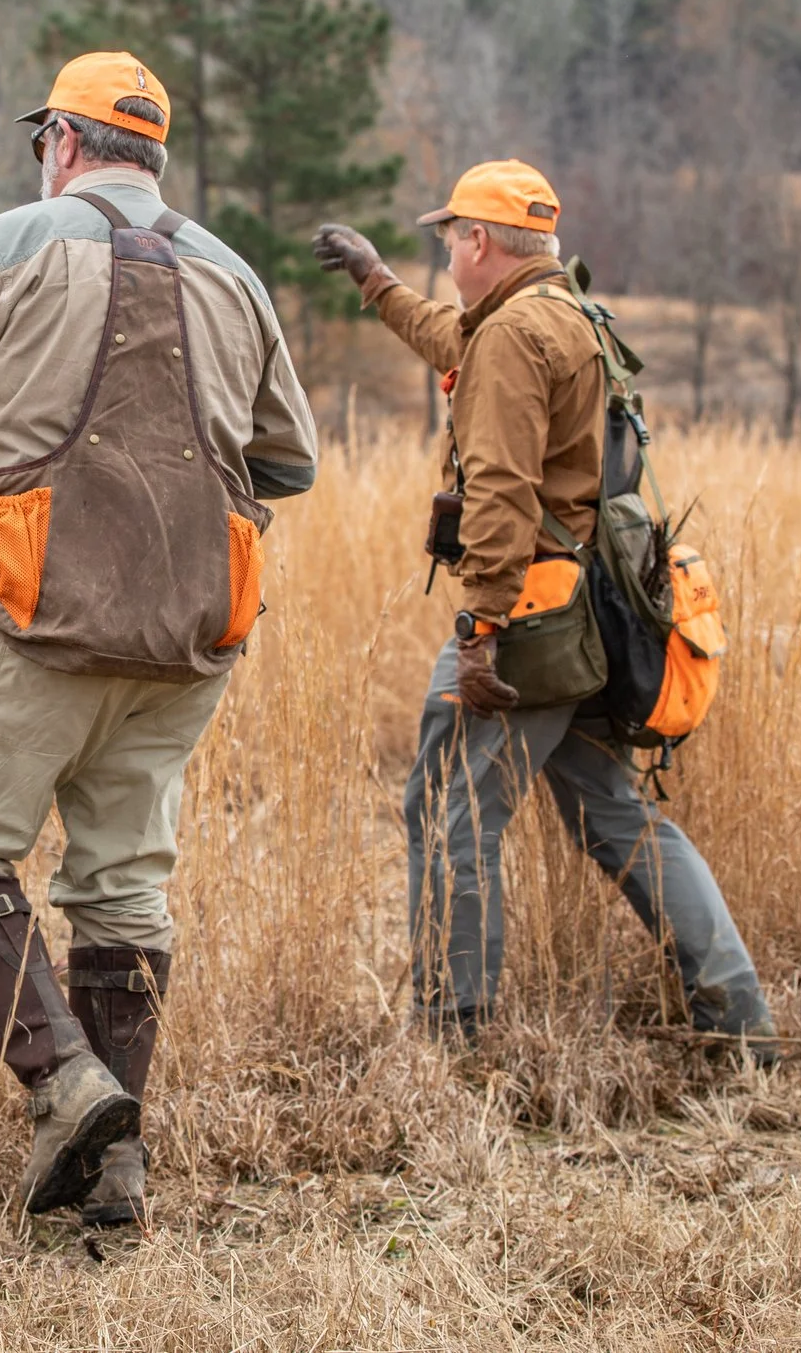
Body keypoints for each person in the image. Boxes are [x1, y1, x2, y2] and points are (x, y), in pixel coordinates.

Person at [0, 51, 318, 1223]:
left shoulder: (5, 244)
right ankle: (115, 1176)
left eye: (44, 143)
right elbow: (292, 462)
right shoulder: (233, 273)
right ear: (149, 155)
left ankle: (66, 1085)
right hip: (186, 639)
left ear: (61, 144)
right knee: (122, 893)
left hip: (31, 618)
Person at [313, 161, 774, 1048]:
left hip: (534, 621)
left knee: (448, 809)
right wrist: (378, 283)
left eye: (450, 240)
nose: (448, 256)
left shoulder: (515, 338)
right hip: (602, 617)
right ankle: (739, 1015)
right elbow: (460, 343)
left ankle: (453, 1030)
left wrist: (479, 636)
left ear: (480, 242)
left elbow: (499, 494)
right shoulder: (567, 315)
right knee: (616, 815)